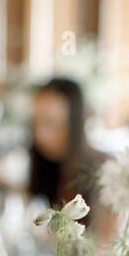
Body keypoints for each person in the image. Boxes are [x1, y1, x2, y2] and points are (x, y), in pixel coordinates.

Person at [28, 77, 105, 222]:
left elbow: (105, 242)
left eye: (49, 122)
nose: (39, 134)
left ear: (74, 122)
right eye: (35, 121)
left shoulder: (103, 174)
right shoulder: (46, 163)